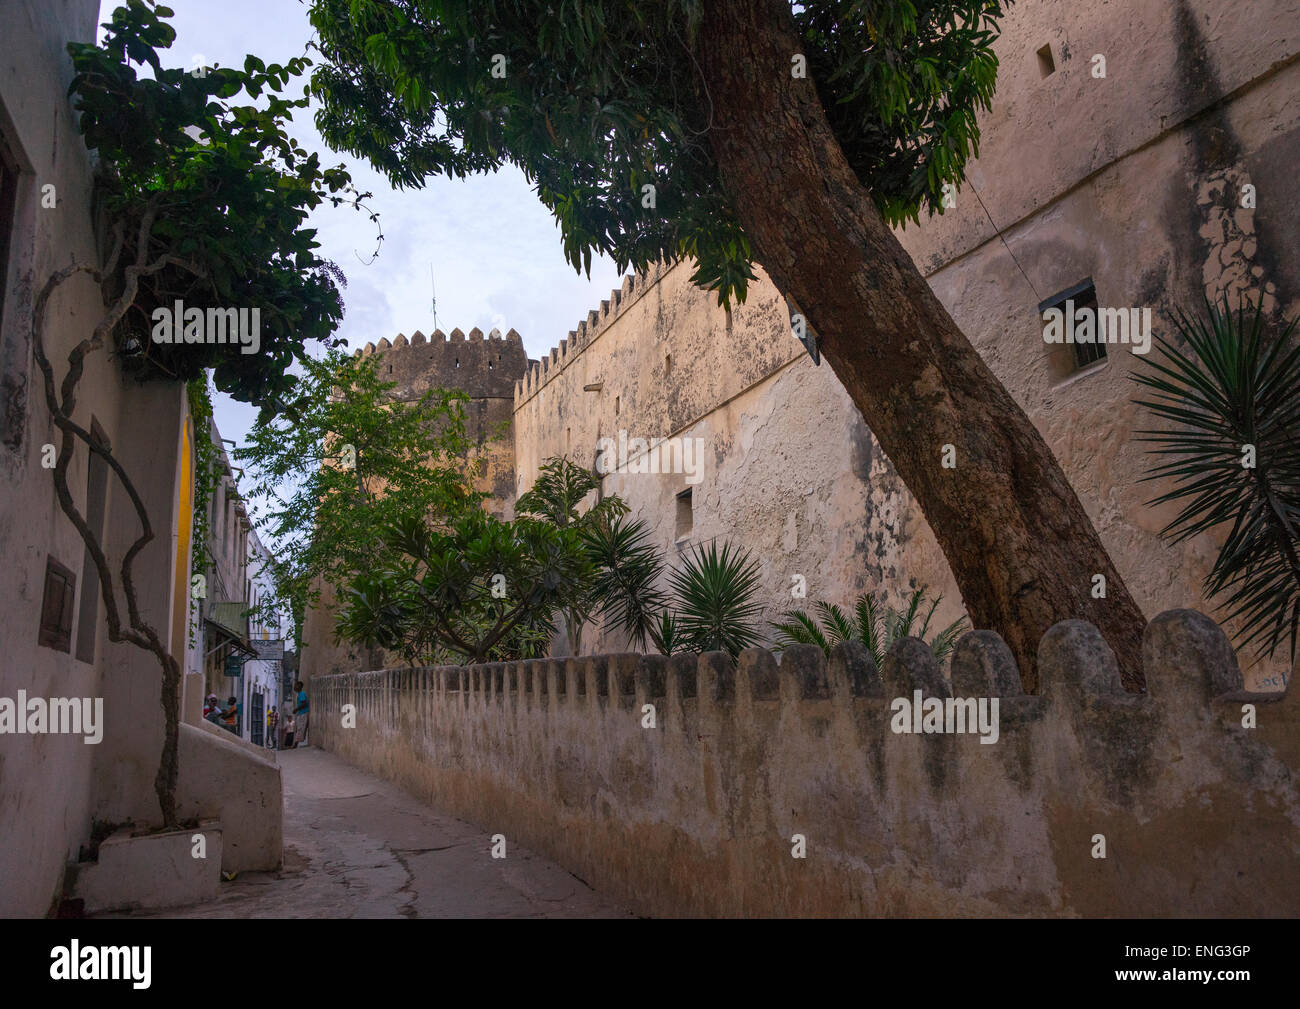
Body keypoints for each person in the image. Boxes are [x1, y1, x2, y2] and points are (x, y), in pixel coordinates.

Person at [293, 680, 309, 747]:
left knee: (300, 728)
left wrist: (296, 709)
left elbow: (304, 704)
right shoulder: (299, 694)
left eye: (296, 685)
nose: (295, 687)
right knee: (299, 728)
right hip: (301, 713)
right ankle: (295, 743)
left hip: (303, 713)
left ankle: (295, 744)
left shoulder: (302, 694)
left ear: (299, 686)